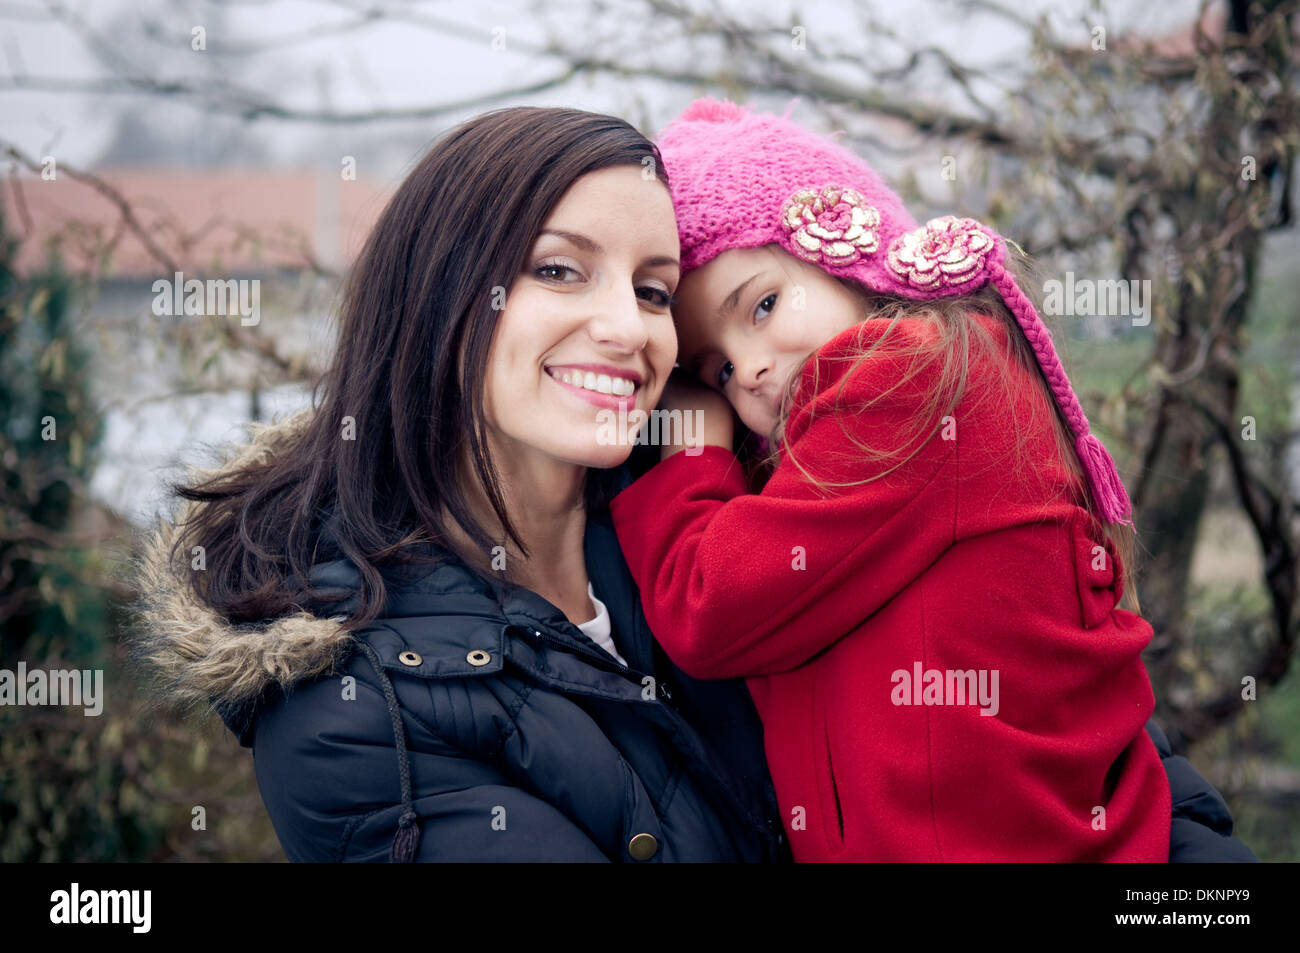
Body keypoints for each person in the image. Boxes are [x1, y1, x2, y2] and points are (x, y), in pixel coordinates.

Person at [130, 103, 1254, 863]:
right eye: (561, 269)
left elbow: (1111, 763)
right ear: (436, 299)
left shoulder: (713, 509)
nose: (627, 327)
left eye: (656, 288)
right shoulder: (352, 710)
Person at [608, 97, 1259, 862]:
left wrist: (691, 442)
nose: (746, 368)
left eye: (762, 304)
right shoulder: (890, 410)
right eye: (713, 366)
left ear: (849, 257)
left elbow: (707, 604)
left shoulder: (909, 378)